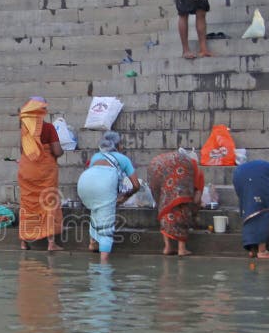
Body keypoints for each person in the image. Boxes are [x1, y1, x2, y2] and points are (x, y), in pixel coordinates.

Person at [77, 131, 140, 264]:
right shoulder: (123, 159)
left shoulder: (96, 156)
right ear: (118, 145)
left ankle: (93, 243)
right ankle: (104, 263)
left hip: (83, 184)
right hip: (104, 185)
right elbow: (136, 185)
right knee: (106, 226)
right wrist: (125, 196)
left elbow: (93, 175)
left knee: (95, 209)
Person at [18, 97, 63, 251]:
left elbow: (22, 151)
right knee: (48, 203)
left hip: (27, 170)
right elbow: (57, 151)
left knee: (27, 203)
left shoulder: (25, 128)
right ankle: (51, 243)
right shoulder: (49, 128)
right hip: (45, 172)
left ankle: (24, 241)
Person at [148, 149, 204, 256]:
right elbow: (197, 198)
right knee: (183, 208)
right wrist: (195, 209)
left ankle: (167, 247)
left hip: (157, 170)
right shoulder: (196, 169)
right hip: (180, 193)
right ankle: (181, 249)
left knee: (166, 209)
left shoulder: (171, 166)